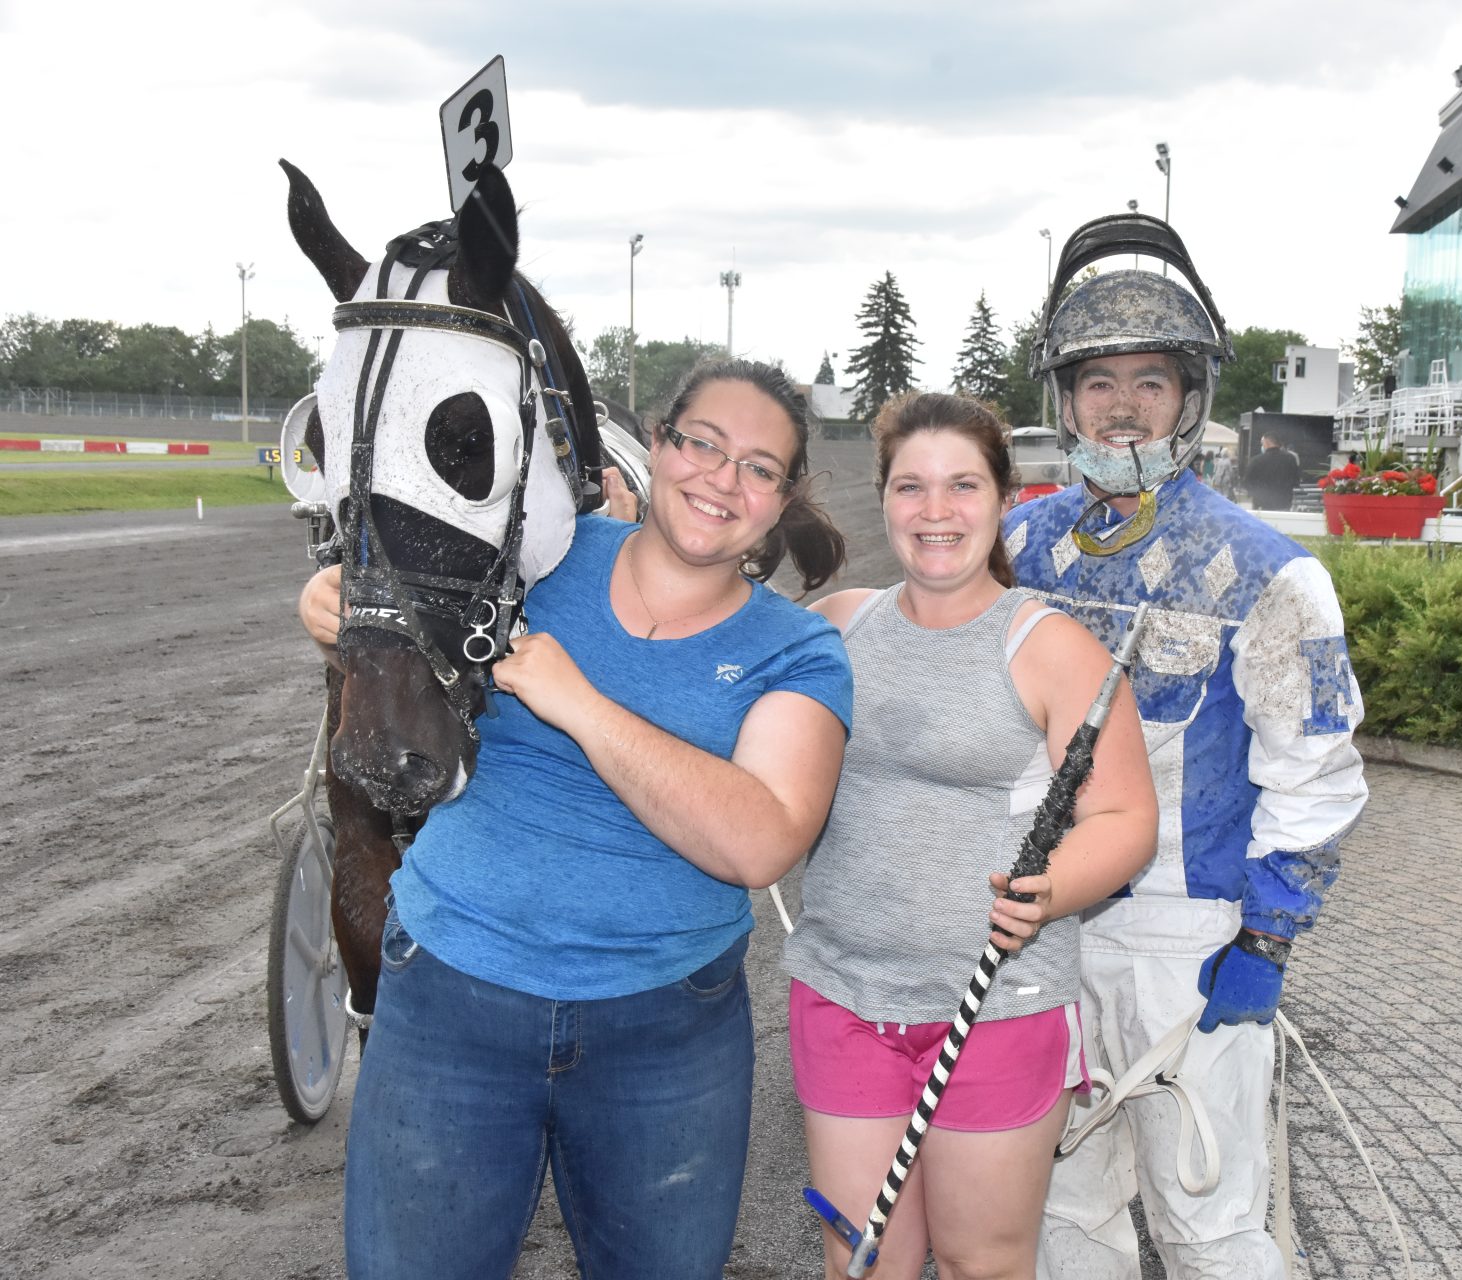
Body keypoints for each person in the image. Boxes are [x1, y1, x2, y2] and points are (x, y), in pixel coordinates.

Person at [298, 360, 856, 1280]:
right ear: (662, 446)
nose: (722, 478)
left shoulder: (797, 651)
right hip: (450, 1000)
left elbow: (760, 839)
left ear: (783, 498)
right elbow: (399, 582)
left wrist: (581, 703)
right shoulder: (534, 561)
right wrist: (332, 603)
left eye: (758, 467)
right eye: (703, 444)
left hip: (666, 1035)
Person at [1004, 215, 1368, 1279]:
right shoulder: (1020, 543)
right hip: (1042, 934)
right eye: (1098, 380)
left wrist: (1265, 942)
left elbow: (1317, 773)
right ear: (1062, 399)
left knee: (1210, 1226)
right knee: (1066, 1218)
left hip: (1188, 942)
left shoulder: (1270, 572)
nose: (1122, 405)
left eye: (1151, 381)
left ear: (1191, 395)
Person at [786, 391, 1157, 1280]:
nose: (936, 511)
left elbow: (1124, 817)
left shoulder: (1051, 646)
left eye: (961, 485)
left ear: (1002, 498)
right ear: (884, 500)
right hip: (843, 995)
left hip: (999, 1007)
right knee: (861, 1260)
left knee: (980, 1260)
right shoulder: (837, 627)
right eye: (910, 487)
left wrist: (1052, 891)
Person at [1242, 429, 1300, 510]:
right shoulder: (1290, 459)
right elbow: (1296, 481)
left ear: (1267, 442)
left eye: (1262, 443)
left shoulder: (1256, 460)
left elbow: (1247, 483)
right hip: (1284, 503)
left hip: (1262, 504)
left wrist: (1256, 494)